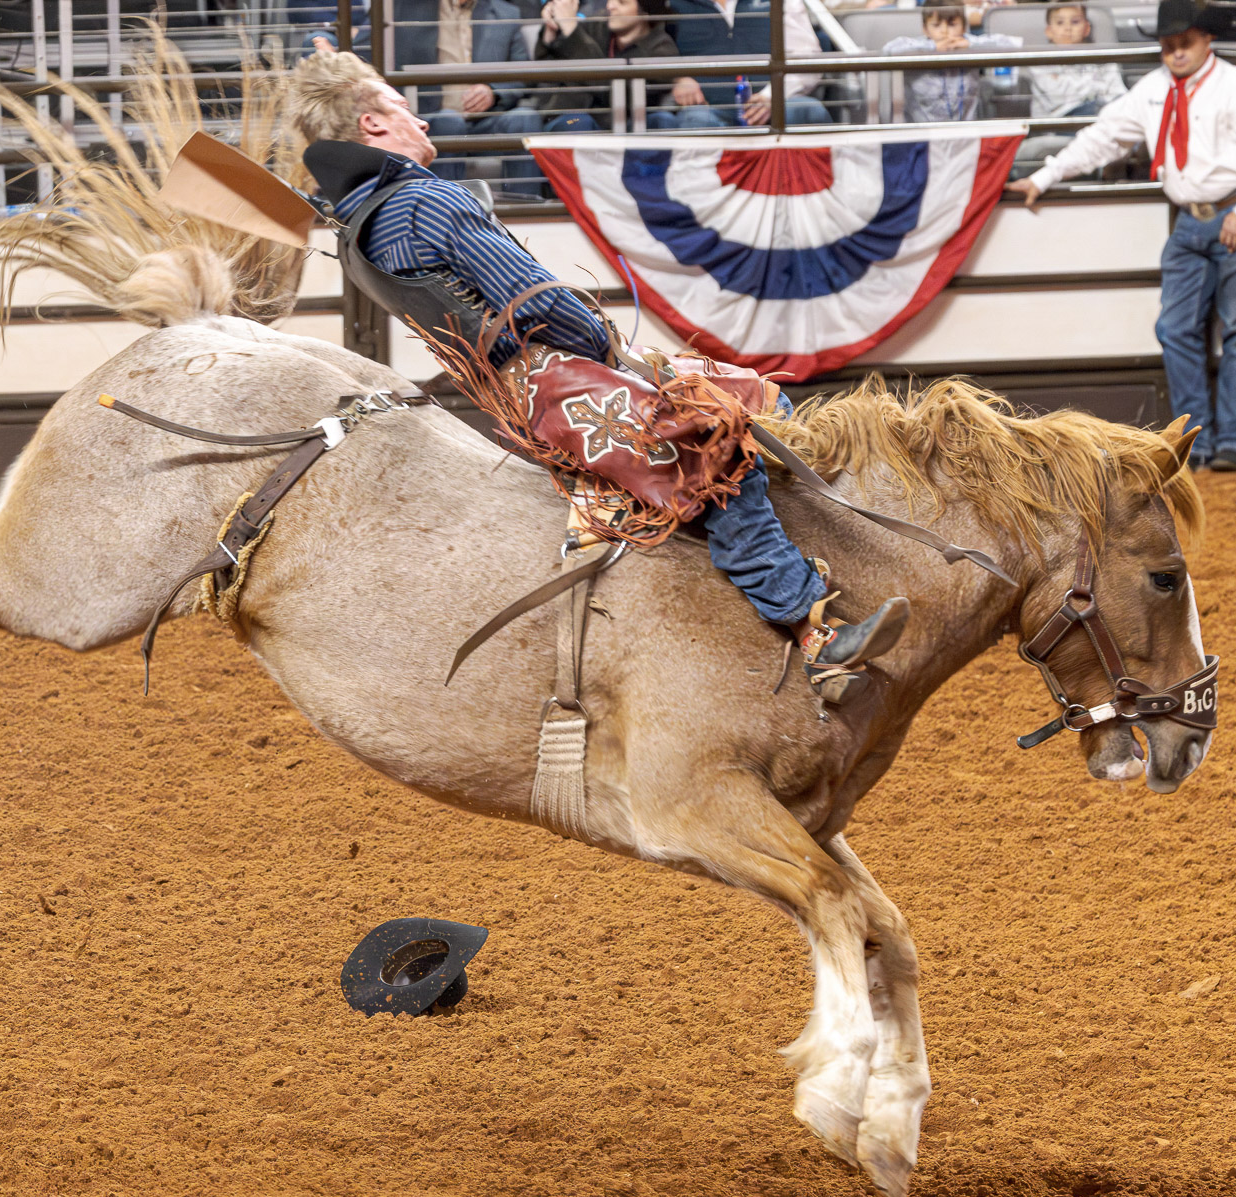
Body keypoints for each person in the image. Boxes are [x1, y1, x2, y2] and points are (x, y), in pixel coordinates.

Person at [289, 52, 910, 703]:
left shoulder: (359, 227)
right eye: (398, 103)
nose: (414, 113)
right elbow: (535, 301)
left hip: (521, 400)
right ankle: (812, 632)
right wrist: (609, 349)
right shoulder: (425, 201)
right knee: (713, 445)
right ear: (372, 124)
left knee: (747, 393)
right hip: (566, 380)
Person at [1007, 0, 1236, 471]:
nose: (1175, 52)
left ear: (1206, 39)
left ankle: (1234, 444)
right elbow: (1104, 136)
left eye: (1184, 42)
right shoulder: (1154, 90)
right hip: (1190, 219)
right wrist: (1045, 175)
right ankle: (1196, 443)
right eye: (1167, 45)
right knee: (1175, 328)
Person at [302, 0, 582, 196]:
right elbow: (363, 41)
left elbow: (520, 72)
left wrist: (493, 91)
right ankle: (449, 204)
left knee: (526, 118)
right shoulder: (405, 8)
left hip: (489, 120)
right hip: (432, 117)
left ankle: (525, 204)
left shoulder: (506, 13)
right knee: (449, 122)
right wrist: (324, 44)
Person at [659, 0, 831, 127]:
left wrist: (771, 97)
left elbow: (807, 58)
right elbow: (652, 47)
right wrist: (677, 78)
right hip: (706, 108)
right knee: (695, 120)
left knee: (809, 110)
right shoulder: (671, 5)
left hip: (776, 102)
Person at [534, 0, 678, 132]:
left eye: (621, 2)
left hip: (631, 122)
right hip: (576, 118)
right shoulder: (595, 26)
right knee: (578, 122)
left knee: (661, 121)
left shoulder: (663, 50)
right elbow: (546, 66)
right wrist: (551, 30)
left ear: (645, 13)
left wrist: (571, 29)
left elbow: (616, 90)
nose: (610, 6)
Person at [882, 6, 1018, 123]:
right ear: (925, 29)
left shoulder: (970, 45)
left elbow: (1012, 45)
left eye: (952, 24)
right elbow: (888, 50)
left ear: (964, 27)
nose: (944, 31)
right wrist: (932, 47)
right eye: (936, 25)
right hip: (922, 139)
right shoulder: (916, 47)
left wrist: (972, 45)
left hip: (966, 137)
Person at [1025, 4, 1127, 121]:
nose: (1067, 28)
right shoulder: (1040, 63)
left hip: (1102, 119)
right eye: (1060, 23)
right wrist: (1097, 88)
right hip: (1058, 125)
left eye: (1075, 22)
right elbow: (1060, 99)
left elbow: (1118, 95)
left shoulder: (1103, 59)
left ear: (1086, 28)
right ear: (1049, 31)